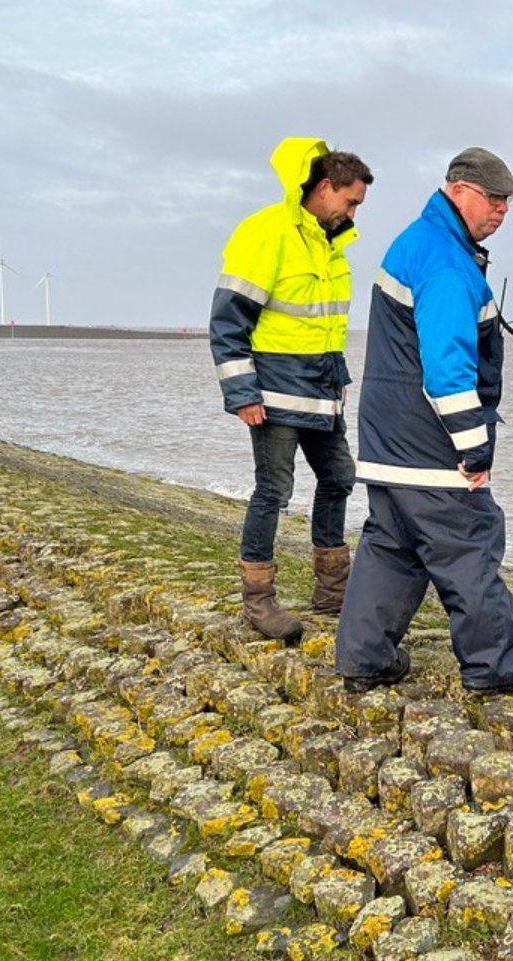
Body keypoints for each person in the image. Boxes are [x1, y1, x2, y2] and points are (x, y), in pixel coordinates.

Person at [334, 147, 513, 694]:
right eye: (494, 197)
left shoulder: (417, 242)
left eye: (508, 201)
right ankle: (496, 669)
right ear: (458, 191)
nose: (503, 209)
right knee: (469, 547)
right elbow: (448, 371)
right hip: (431, 451)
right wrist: (475, 446)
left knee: (392, 545)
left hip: (388, 444)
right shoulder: (449, 264)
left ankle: (364, 658)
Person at [210, 137, 373, 644]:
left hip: (322, 391)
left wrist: (337, 380)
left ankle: (331, 593)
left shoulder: (330, 242)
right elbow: (227, 319)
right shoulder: (266, 233)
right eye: (350, 201)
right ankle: (258, 603)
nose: (352, 212)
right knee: (274, 492)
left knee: (340, 477)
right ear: (324, 188)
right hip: (274, 394)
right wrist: (242, 393)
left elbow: (325, 326)